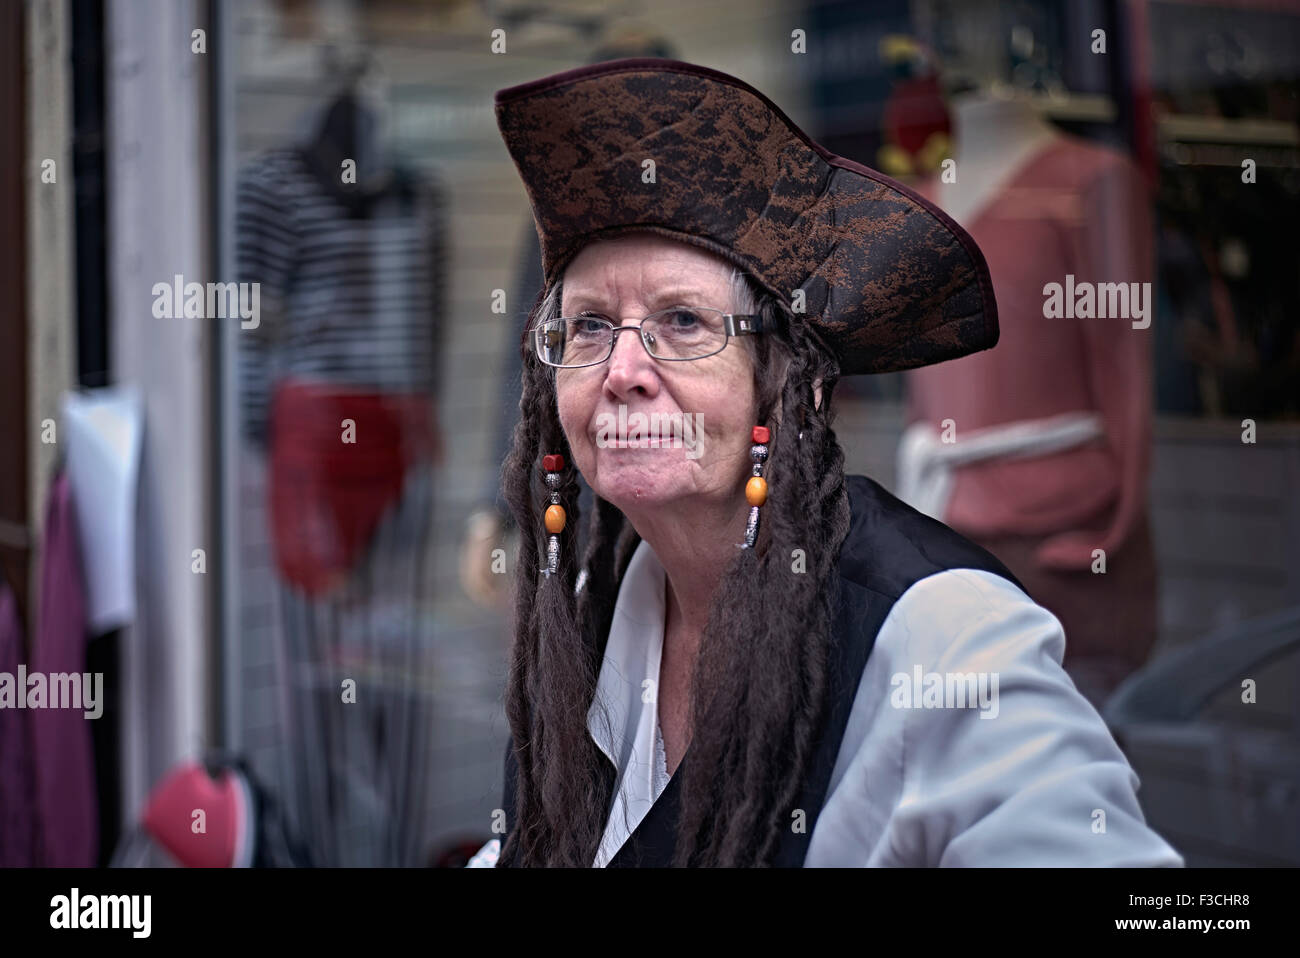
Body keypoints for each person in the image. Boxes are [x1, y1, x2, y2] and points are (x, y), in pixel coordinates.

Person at [468, 58, 1183, 867]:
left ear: (792, 387)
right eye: (590, 327)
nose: (622, 369)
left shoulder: (938, 635)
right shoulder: (593, 610)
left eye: (684, 322)